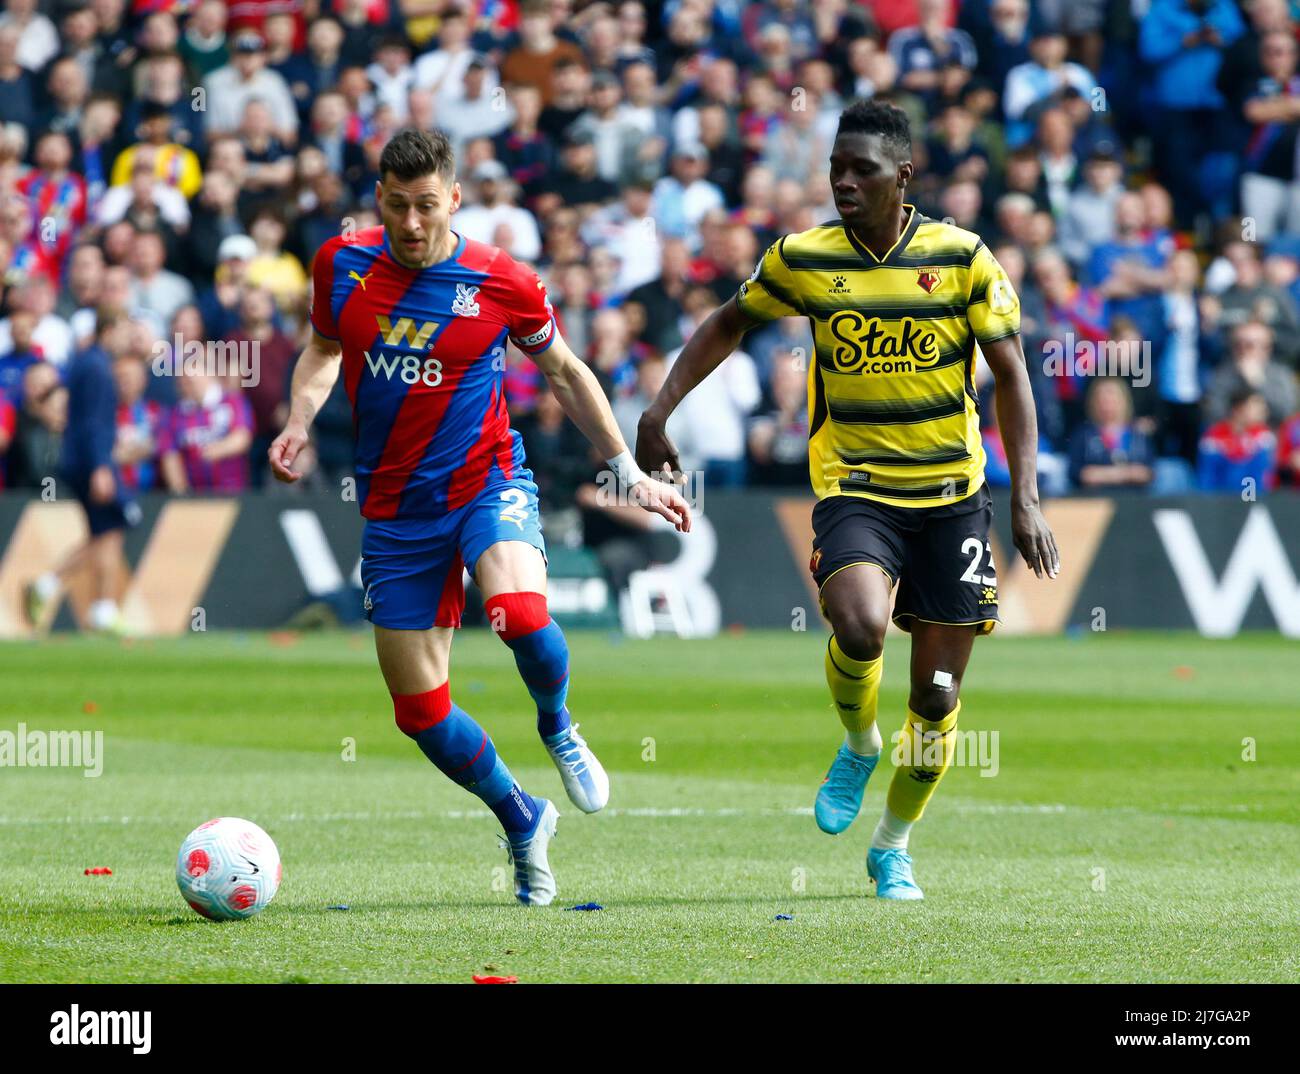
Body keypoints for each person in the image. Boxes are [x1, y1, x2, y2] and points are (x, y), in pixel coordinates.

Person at [636, 100, 1059, 901]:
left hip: (952, 495)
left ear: (904, 173)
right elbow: (727, 324)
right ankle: (860, 743)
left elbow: (1011, 375)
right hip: (855, 486)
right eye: (835, 168)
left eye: (861, 169)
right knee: (859, 621)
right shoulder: (803, 258)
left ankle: (892, 845)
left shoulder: (962, 257)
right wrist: (660, 410)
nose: (843, 181)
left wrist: (1025, 496)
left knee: (936, 698)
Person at [267, 129, 690, 907]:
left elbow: (564, 372)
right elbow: (324, 350)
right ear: (380, 202)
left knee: (520, 613)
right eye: (396, 206)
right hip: (394, 511)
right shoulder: (341, 265)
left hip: (486, 480)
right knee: (419, 712)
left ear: (454, 198)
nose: (411, 223)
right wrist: (299, 420)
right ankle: (523, 818)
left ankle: (557, 724)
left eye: (426, 205)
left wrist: (628, 473)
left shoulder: (503, 280)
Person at [24, 311, 139, 633]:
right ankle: (86, 601)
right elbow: (93, 424)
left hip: (82, 459)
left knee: (106, 531)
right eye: (125, 330)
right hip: (92, 461)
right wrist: (101, 466)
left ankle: (98, 605)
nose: (129, 339)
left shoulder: (87, 362)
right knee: (113, 525)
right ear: (110, 329)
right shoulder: (99, 367)